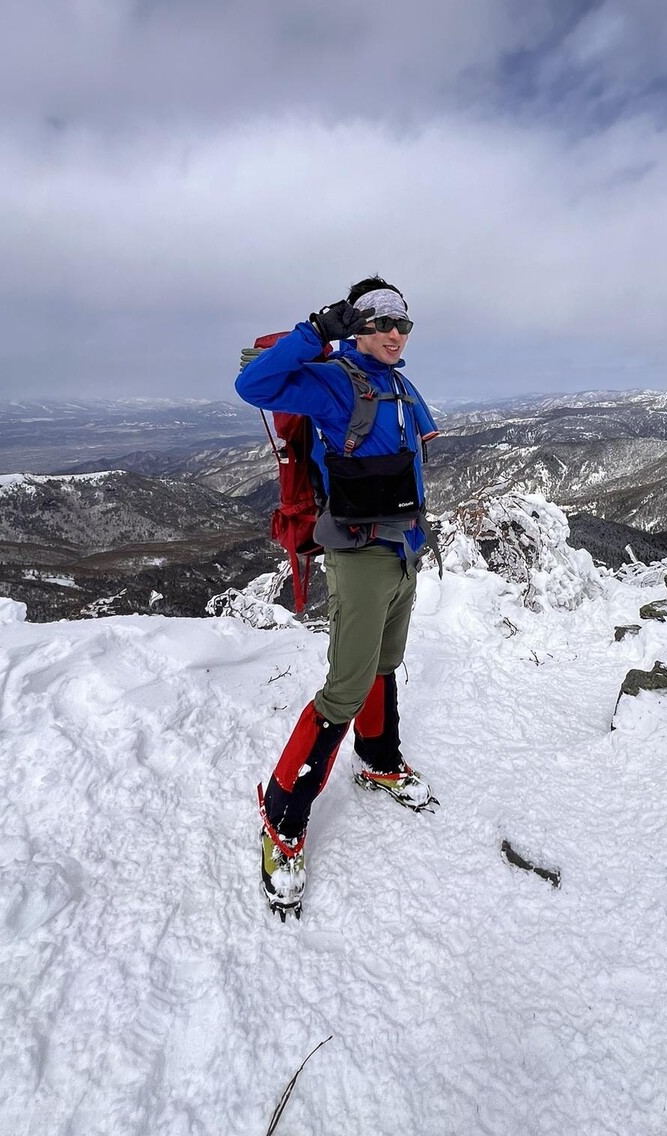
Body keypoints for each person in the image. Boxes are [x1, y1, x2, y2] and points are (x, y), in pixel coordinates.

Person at [235, 276, 440, 917]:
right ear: (356, 325)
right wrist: (315, 331)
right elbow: (254, 386)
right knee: (345, 688)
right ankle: (282, 819)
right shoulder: (331, 381)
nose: (394, 333)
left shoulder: (400, 385)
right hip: (360, 556)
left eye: (403, 323)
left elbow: (411, 461)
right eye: (380, 321)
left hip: (404, 550)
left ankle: (379, 761)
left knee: (383, 663)